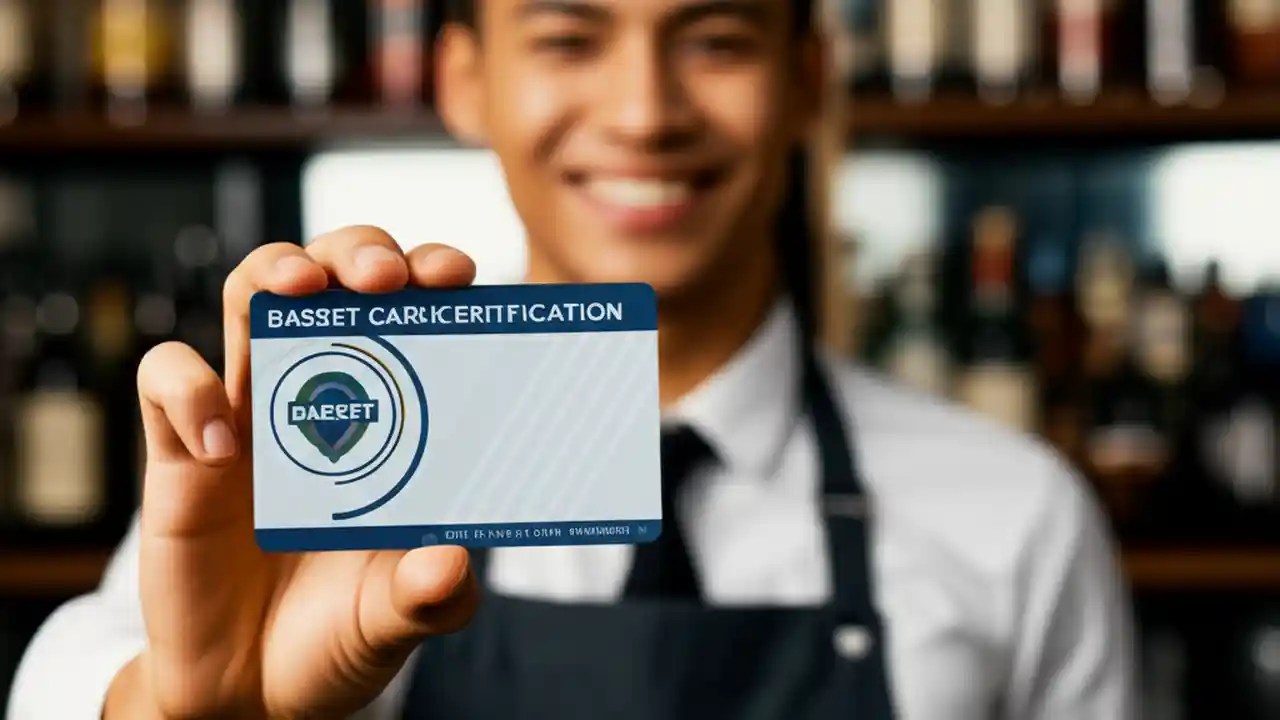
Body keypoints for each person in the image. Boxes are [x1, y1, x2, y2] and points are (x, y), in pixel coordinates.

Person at [8, 0, 1135, 718]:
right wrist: (174, 711)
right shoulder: (334, 484)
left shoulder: (1017, 514)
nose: (642, 113)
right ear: (461, 81)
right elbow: (82, 675)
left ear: (806, 78)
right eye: (566, 36)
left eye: (714, 39)